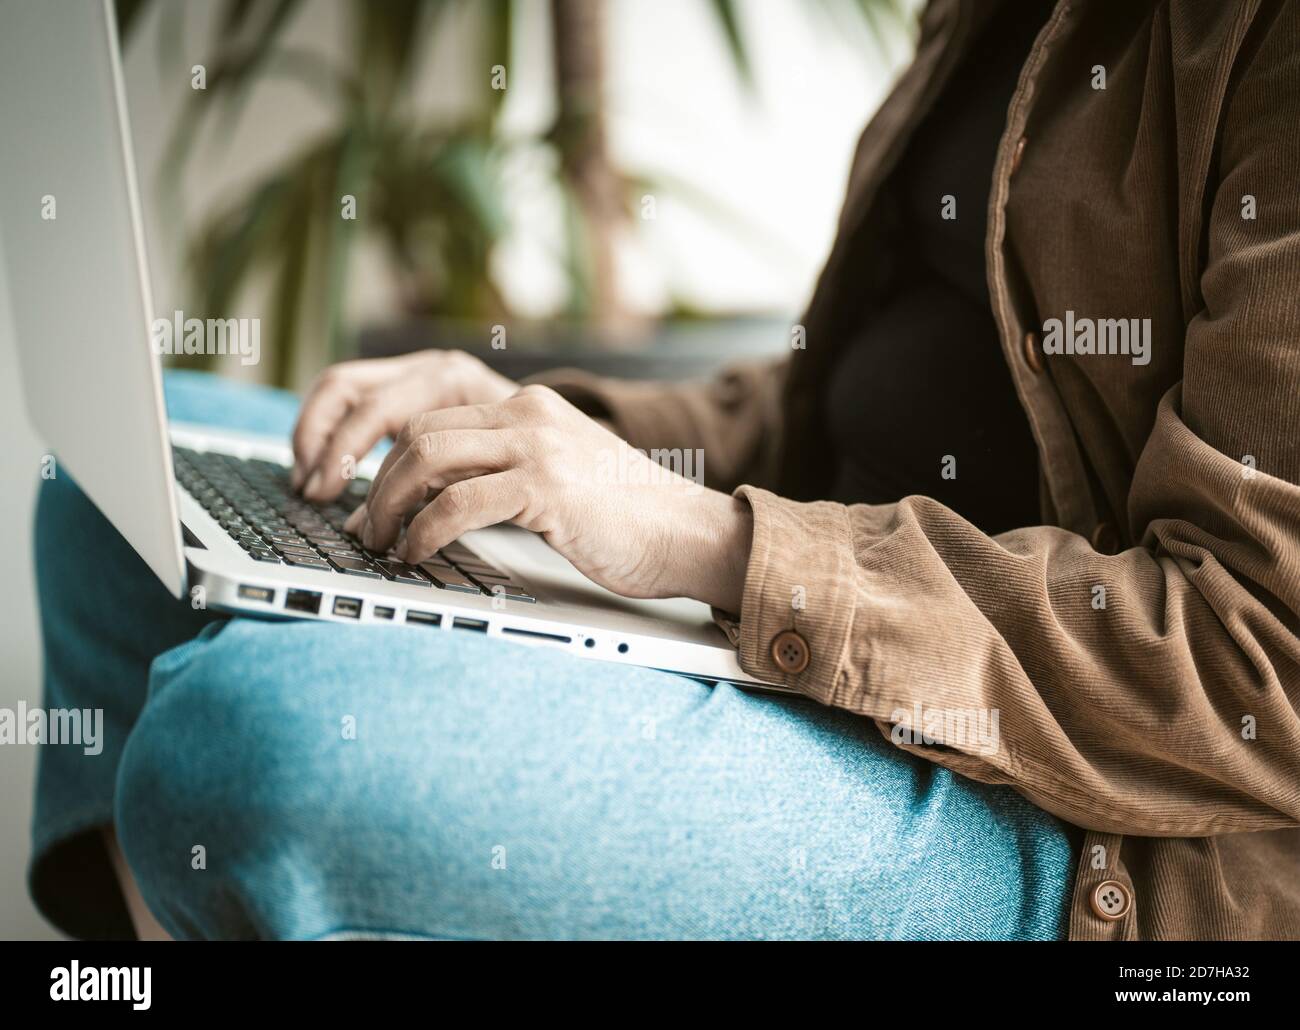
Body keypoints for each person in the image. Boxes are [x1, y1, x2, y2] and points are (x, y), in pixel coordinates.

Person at [30, 0, 1300, 940]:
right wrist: (548, 430)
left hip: (1075, 807)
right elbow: (843, 403)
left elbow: (1257, 654)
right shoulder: (996, 22)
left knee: (243, 740)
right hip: (839, 631)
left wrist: (720, 545)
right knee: (109, 486)